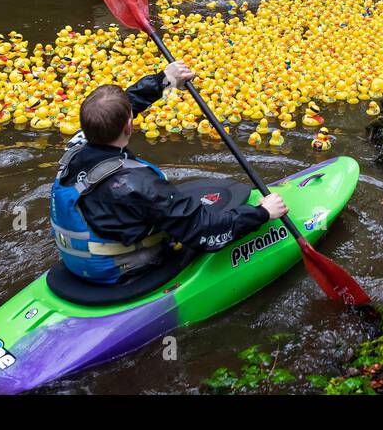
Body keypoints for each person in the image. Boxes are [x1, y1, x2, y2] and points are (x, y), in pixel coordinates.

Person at [51, 60, 288, 284]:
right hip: (122, 269)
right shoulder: (136, 183)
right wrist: (262, 213)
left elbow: (122, 106)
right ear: (130, 125)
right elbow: (202, 231)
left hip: (79, 259)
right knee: (197, 220)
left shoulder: (77, 144)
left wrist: (166, 80)